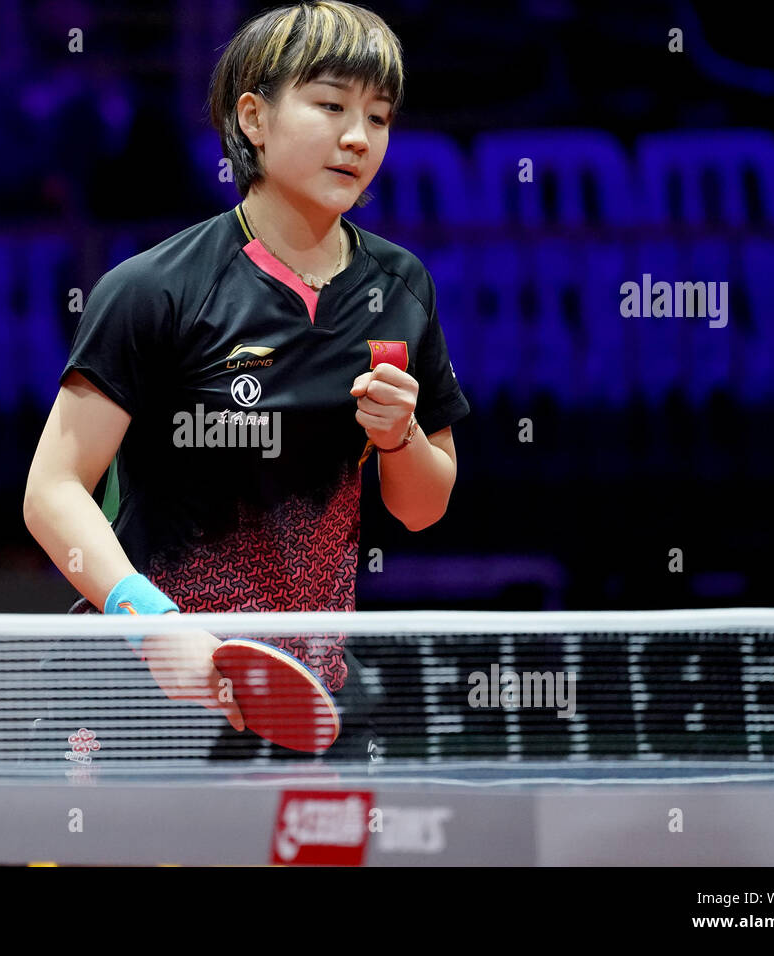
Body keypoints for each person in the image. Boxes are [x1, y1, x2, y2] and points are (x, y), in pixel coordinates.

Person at [23, 1, 470, 749]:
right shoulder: (153, 289)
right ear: (254, 120)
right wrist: (155, 627)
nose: (358, 138)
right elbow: (52, 489)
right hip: (141, 688)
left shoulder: (401, 288)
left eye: (380, 116)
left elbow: (422, 508)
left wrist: (399, 440)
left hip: (308, 697)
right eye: (330, 106)